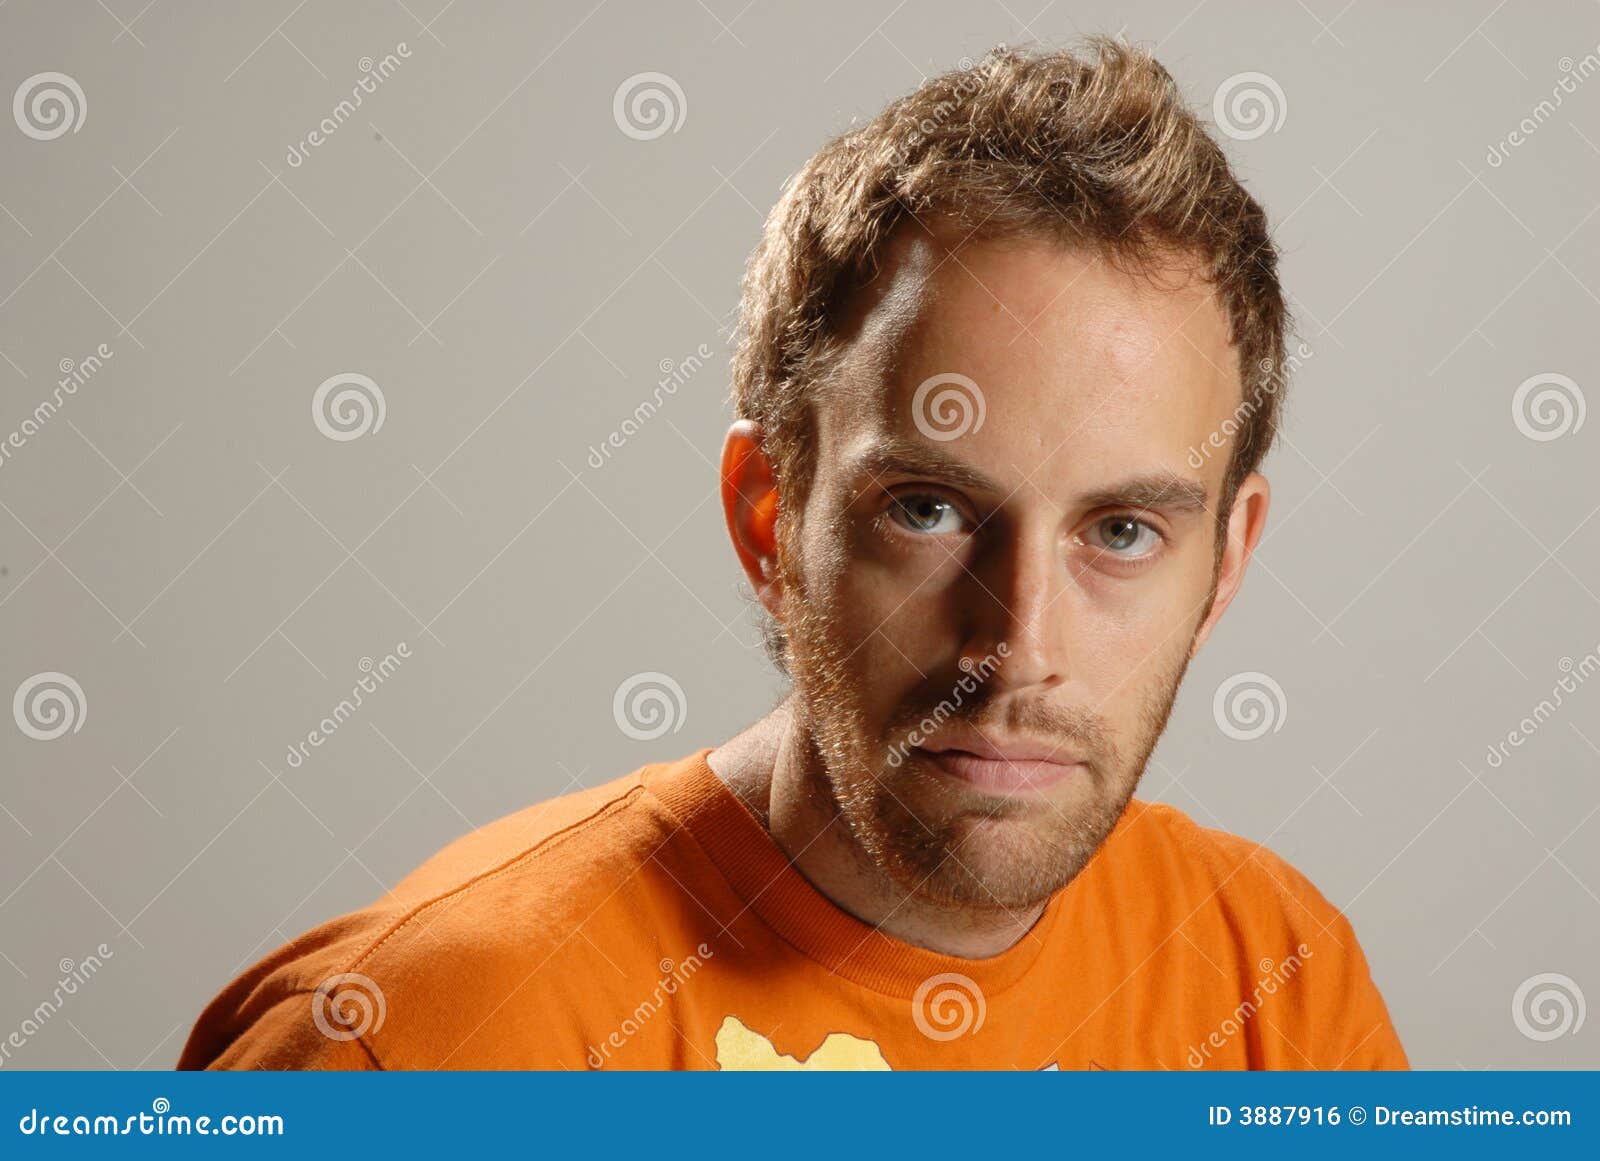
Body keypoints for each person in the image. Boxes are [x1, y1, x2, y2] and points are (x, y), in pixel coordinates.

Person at [180, 38, 1407, 1071]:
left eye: (1123, 532)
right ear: (771, 515)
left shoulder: (1275, 989)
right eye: (927, 510)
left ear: (1224, 562)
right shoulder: (423, 1042)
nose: (1017, 647)